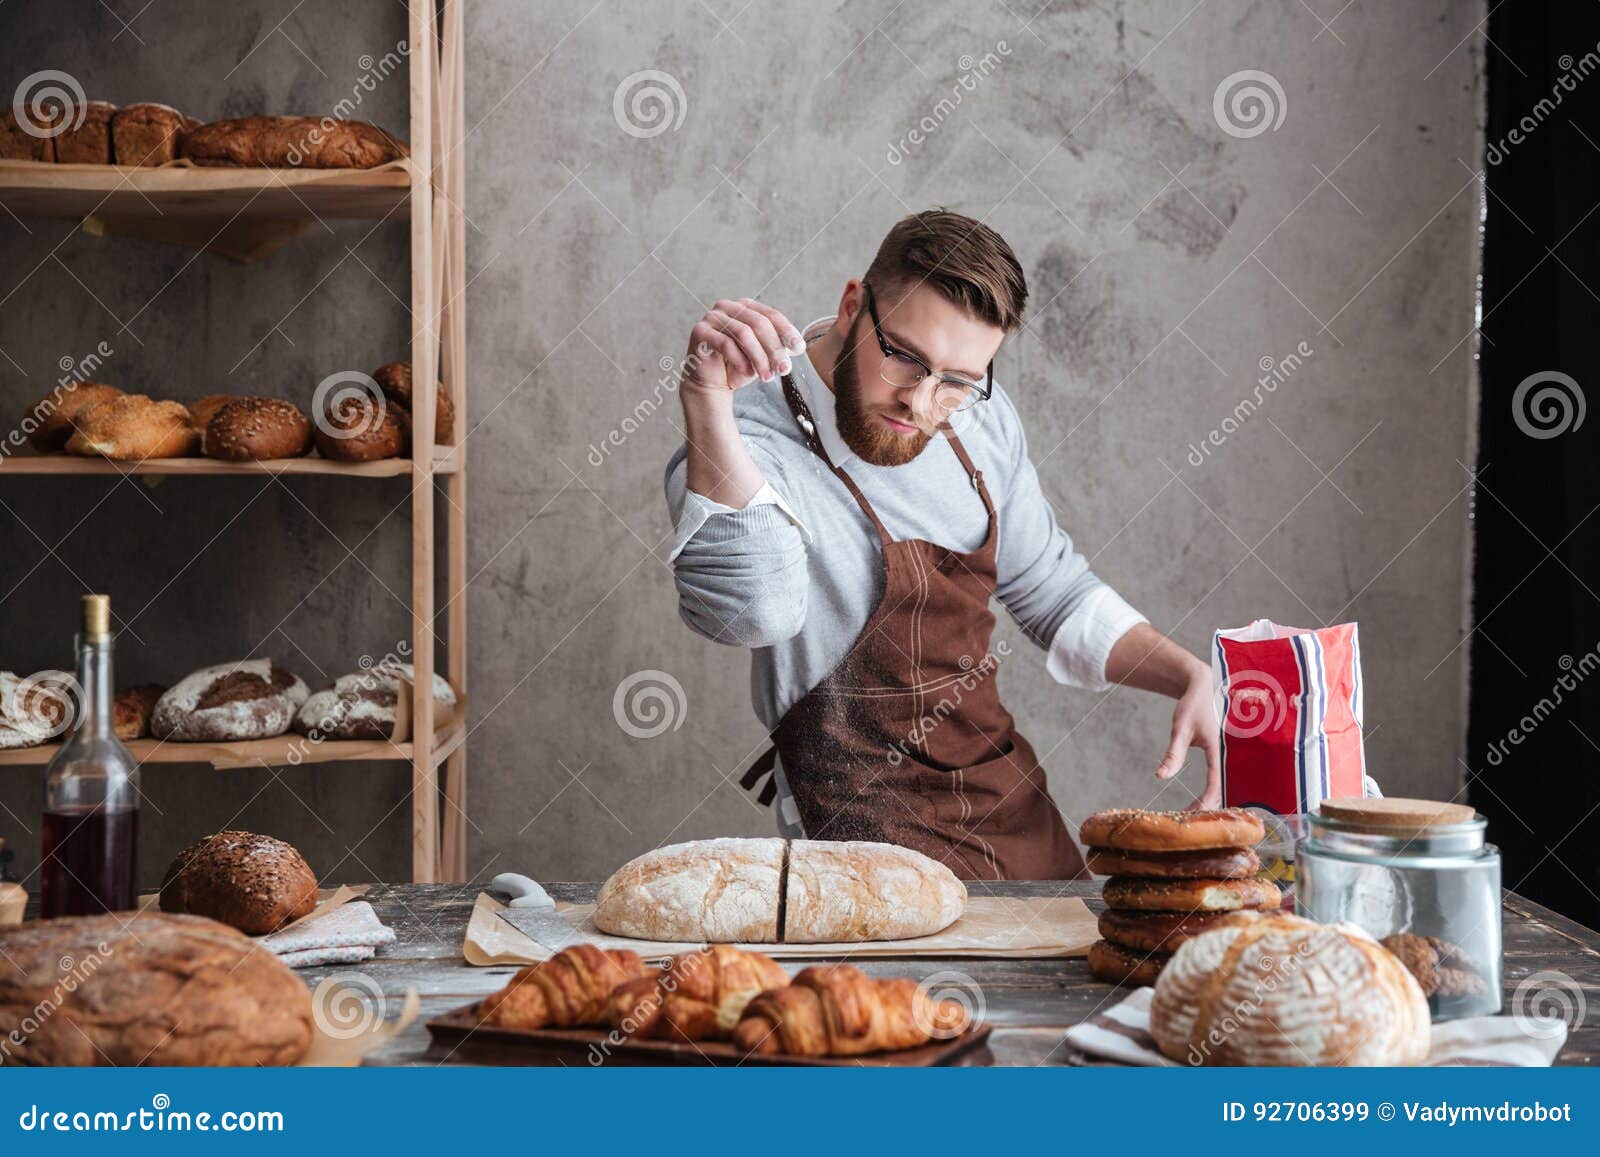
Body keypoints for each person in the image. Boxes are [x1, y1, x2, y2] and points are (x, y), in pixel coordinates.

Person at [664, 209, 1218, 880]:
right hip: (863, 840)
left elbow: (1051, 590)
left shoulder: (980, 418)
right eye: (903, 356)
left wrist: (1192, 674)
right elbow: (751, 613)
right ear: (850, 307)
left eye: (957, 381)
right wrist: (704, 401)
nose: (921, 402)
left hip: (1005, 802)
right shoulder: (743, 444)